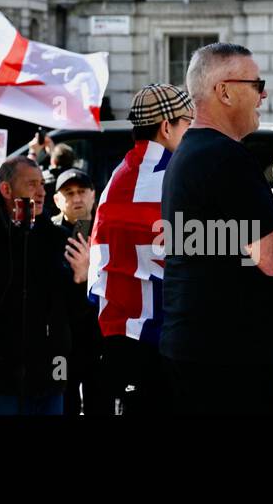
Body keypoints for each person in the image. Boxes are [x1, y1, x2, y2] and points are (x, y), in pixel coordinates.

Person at [160, 43, 273, 415]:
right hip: (225, 363)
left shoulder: (195, 152)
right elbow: (270, 257)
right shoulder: (221, 156)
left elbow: (220, 251)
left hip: (205, 353)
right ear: (224, 90)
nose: (264, 93)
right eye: (256, 84)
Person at [0, 157, 90, 415]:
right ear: (6, 189)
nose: (41, 192)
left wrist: (80, 279)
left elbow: (77, 314)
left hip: (50, 380)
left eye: (42, 184)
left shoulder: (58, 240)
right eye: (31, 184)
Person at [89, 83, 191, 417]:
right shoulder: (173, 177)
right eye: (188, 122)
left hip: (118, 335)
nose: (193, 131)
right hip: (159, 339)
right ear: (166, 127)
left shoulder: (118, 176)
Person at [50, 168, 100, 415]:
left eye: (81, 191)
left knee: (100, 400)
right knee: (64, 402)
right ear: (57, 200)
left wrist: (89, 274)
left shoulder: (107, 229)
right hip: (63, 343)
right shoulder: (48, 235)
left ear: (93, 194)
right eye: (69, 193)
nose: (77, 198)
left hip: (100, 337)